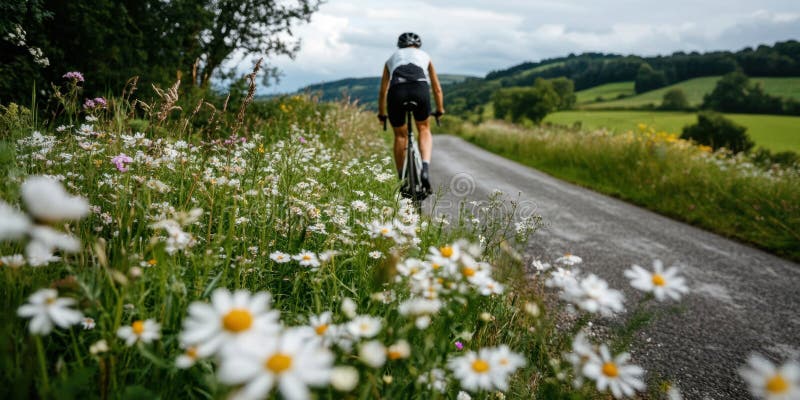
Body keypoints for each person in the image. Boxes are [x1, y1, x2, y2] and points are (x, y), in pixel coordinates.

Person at [378, 32, 444, 193]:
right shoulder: (425, 56)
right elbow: (436, 88)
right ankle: (426, 169)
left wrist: (381, 113)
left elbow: (382, 91)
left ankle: (402, 180)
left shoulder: (391, 58)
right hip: (419, 89)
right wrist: (440, 109)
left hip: (397, 91)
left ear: (400, 45)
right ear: (417, 45)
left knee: (400, 135)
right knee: (423, 128)